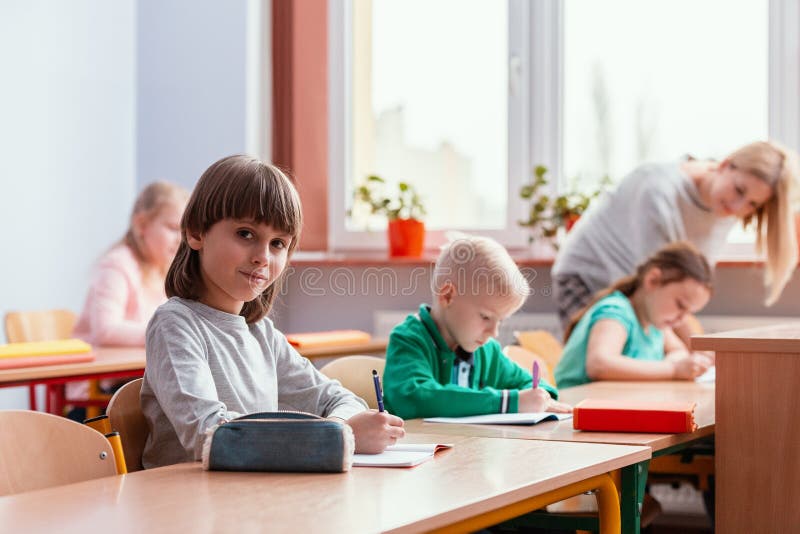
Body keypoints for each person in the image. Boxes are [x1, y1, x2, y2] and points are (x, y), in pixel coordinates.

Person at [140, 155, 404, 468]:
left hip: (254, 499)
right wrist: (341, 436)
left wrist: (339, 430)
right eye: (245, 234)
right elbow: (209, 436)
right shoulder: (175, 325)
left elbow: (342, 400)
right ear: (196, 232)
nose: (262, 257)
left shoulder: (261, 334)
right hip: (184, 506)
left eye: (278, 243)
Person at [552, 141, 799, 333]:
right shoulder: (658, 191)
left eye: (752, 204)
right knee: (602, 361)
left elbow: (681, 285)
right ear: (725, 164)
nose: (737, 206)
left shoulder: (725, 210)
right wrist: (689, 348)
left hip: (639, 288)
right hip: (587, 276)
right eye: (739, 190)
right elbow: (660, 288)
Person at [383, 233, 572, 420]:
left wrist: (542, 397)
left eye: (501, 321)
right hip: (423, 448)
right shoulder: (408, 340)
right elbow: (415, 399)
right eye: (485, 317)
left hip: (470, 447)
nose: (494, 332)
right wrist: (506, 402)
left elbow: (532, 385)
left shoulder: (487, 351)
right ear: (448, 296)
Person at [68, 182, 188, 416]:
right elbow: (106, 329)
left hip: (135, 383)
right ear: (142, 225)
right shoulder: (117, 265)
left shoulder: (164, 272)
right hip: (95, 397)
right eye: (173, 228)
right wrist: (168, 331)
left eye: (184, 231)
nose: (180, 239)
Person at [554, 242, 714, 389]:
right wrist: (672, 369)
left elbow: (678, 351)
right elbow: (599, 364)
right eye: (680, 305)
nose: (682, 319)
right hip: (577, 409)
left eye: (689, 312)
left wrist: (681, 362)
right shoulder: (615, 311)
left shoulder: (656, 323)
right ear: (653, 280)